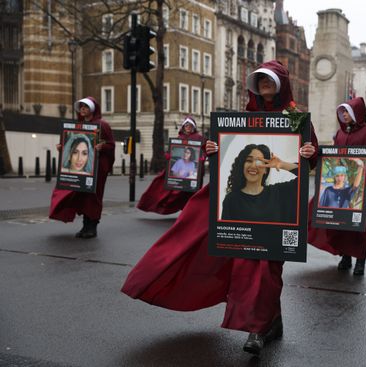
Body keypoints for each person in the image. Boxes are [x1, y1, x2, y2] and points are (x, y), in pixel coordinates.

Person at [121, 60, 318, 355]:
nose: (265, 85)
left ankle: (265, 323)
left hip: (278, 210)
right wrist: (213, 149)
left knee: (268, 267)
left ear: (280, 83)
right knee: (251, 266)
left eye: (270, 80)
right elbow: (226, 157)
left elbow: (309, 159)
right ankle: (260, 326)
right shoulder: (244, 118)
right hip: (242, 208)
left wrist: (309, 152)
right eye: (260, 80)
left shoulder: (295, 117)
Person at [308, 96, 366, 276]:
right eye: (343, 112)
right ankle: (346, 256)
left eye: (348, 111)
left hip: (358, 186)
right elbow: (334, 156)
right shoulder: (339, 134)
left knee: (359, 224)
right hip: (340, 184)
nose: (344, 115)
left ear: (357, 113)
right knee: (340, 222)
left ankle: (360, 260)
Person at [49, 97, 115, 238]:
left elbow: (111, 145)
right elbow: (69, 143)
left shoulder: (102, 125)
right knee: (83, 197)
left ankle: (92, 227)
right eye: (81, 106)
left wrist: (102, 146)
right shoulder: (77, 125)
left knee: (94, 197)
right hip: (83, 170)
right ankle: (85, 226)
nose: (83, 109)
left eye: (86, 106)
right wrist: (62, 147)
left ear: (92, 108)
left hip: (97, 168)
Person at [137, 116, 205, 214]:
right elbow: (172, 151)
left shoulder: (199, 138)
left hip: (195, 171)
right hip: (180, 170)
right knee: (173, 191)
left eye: (190, 126)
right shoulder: (179, 138)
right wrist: (168, 155)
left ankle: (191, 212)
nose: (188, 128)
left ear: (193, 127)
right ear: (183, 127)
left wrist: (203, 157)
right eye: (186, 126)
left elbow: (205, 150)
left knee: (192, 194)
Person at [221, 143, 300, 223]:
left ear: (266, 169)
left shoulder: (278, 192)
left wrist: (282, 164)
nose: (253, 165)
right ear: (242, 165)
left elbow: (304, 176)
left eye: (259, 162)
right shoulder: (231, 199)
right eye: (249, 160)